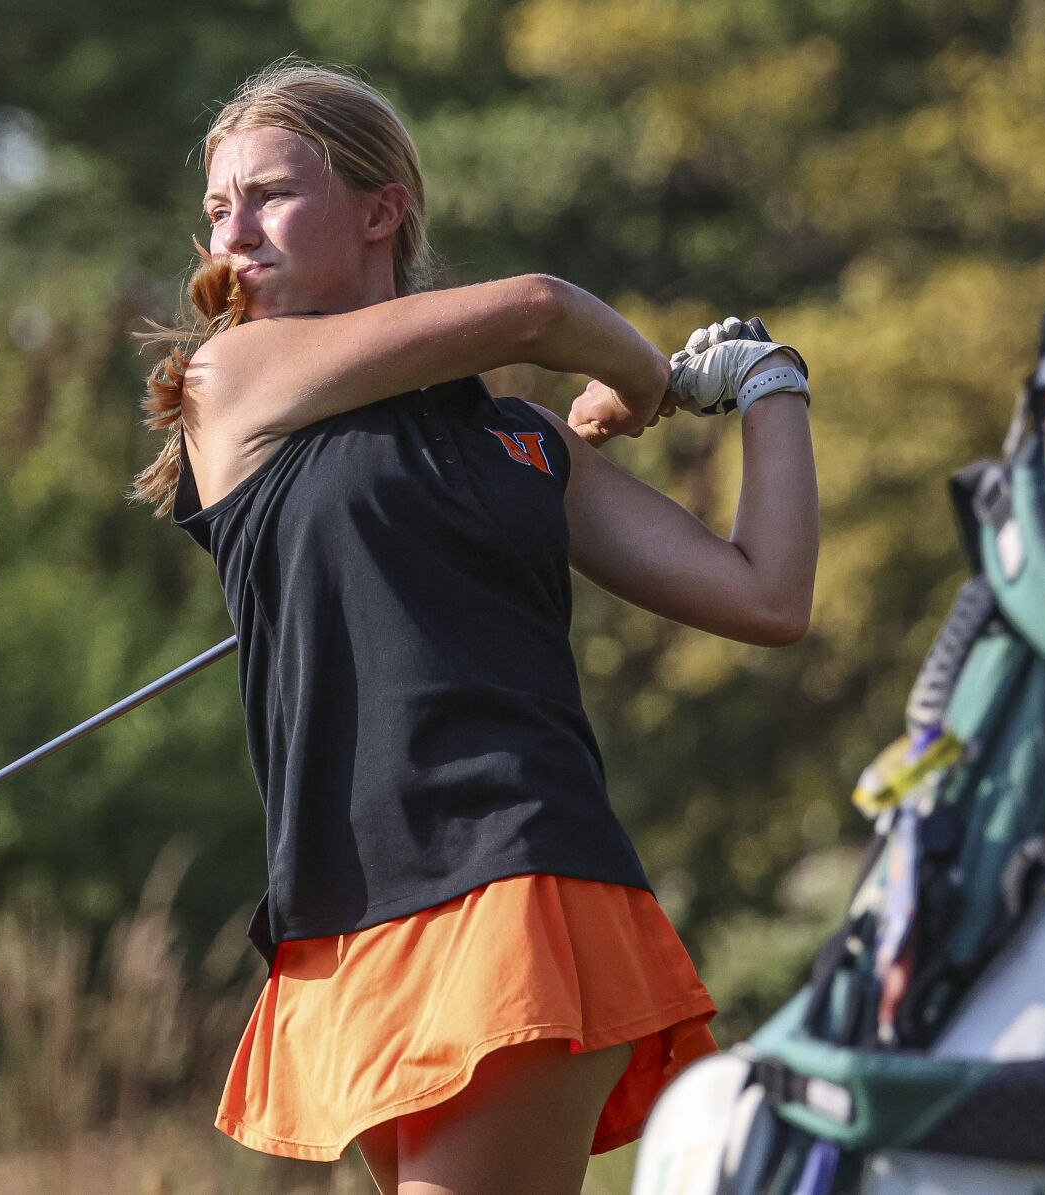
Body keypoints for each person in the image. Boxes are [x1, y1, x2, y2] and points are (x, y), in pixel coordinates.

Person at [133, 60, 818, 1195]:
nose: (231, 232)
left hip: (518, 874)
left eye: (267, 195)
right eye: (217, 206)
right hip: (344, 909)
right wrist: (646, 382)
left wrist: (761, 384)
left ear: (378, 208)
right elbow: (542, 309)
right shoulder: (230, 378)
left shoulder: (525, 445)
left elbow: (764, 597)